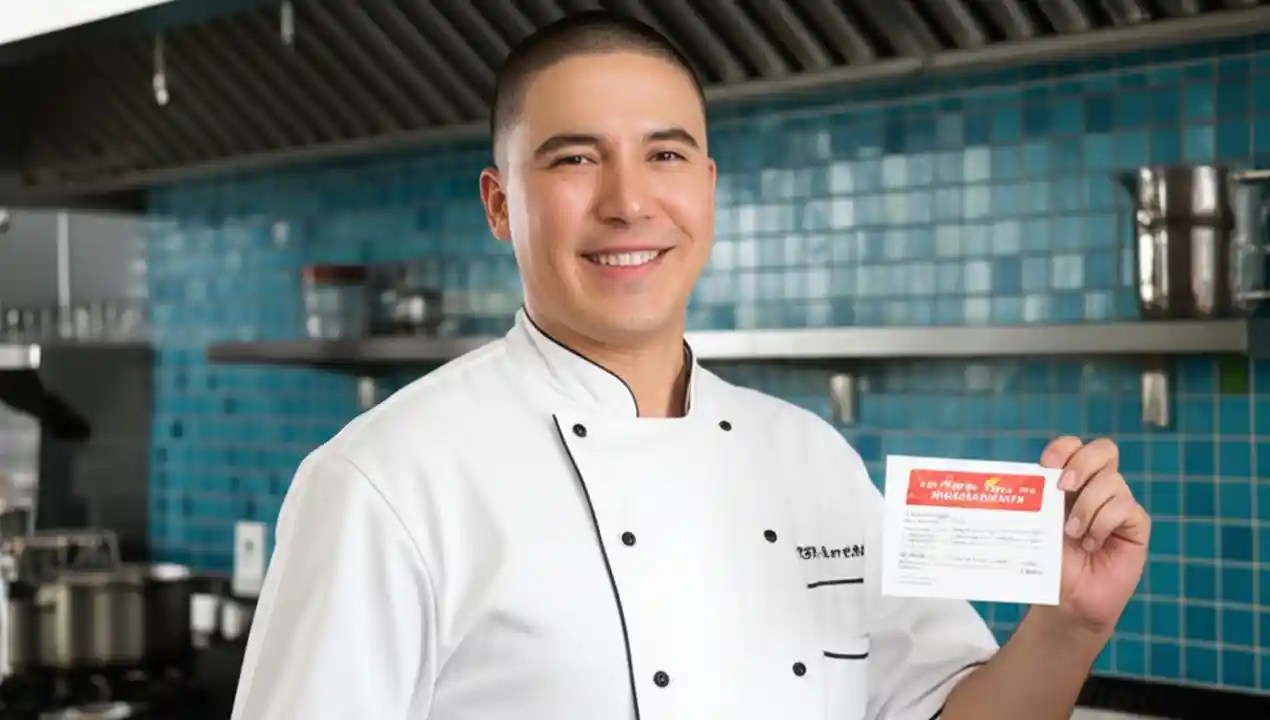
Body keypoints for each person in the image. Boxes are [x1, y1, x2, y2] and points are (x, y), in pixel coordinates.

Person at [230, 11, 1151, 720]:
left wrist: (1070, 622)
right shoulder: (384, 482)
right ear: (500, 204)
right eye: (575, 159)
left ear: (706, 191)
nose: (629, 202)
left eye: (664, 154)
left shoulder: (811, 460)